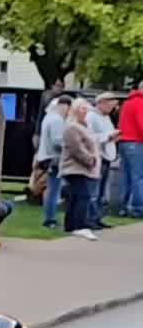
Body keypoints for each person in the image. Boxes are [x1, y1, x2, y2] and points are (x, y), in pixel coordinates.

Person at [60, 98, 100, 238]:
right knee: (83, 196)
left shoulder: (85, 126)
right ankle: (79, 225)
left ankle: (71, 225)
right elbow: (76, 148)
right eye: (82, 108)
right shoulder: (72, 127)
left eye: (86, 109)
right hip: (75, 167)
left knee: (76, 196)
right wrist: (90, 160)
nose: (84, 111)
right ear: (75, 110)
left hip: (84, 168)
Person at [35, 94, 70, 229]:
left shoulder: (48, 117)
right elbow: (57, 141)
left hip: (47, 157)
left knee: (52, 190)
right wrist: (69, 146)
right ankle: (50, 219)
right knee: (54, 191)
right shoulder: (57, 120)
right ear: (64, 105)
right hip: (54, 158)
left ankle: (50, 217)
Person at [85, 93, 119, 227]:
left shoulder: (106, 118)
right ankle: (89, 219)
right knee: (94, 190)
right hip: (97, 156)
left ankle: (97, 217)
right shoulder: (91, 117)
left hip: (106, 156)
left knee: (101, 191)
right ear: (102, 103)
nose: (111, 109)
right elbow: (90, 136)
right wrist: (107, 137)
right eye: (110, 106)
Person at [117, 86, 143, 218]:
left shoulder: (127, 102)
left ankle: (123, 207)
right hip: (136, 142)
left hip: (123, 142)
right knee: (138, 177)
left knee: (125, 176)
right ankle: (138, 208)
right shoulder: (140, 102)